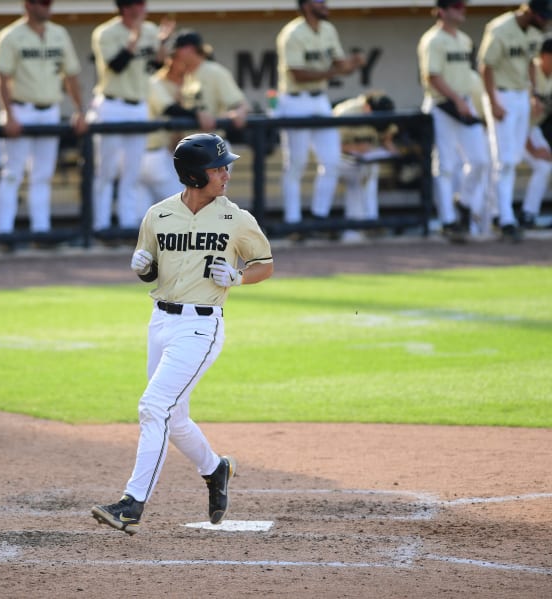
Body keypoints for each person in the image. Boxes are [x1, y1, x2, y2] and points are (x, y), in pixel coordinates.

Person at [91, 133, 274, 534]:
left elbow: (265, 263)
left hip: (201, 326)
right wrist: (142, 267)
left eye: (226, 166)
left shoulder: (236, 218)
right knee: (174, 419)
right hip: (159, 322)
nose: (226, 173)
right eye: (218, 168)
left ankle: (131, 504)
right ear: (193, 175)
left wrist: (238, 278)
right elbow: (153, 270)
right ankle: (216, 468)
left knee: (154, 407)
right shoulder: (158, 215)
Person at [0, 0, 88, 242]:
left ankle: (40, 230)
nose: (47, 6)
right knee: (12, 173)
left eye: (49, 3)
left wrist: (80, 110)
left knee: (43, 174)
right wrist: (8, 114)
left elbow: (71, 74)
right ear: (29, 5)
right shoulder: (10, 35)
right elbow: (1, 77)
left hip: (50, 109)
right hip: (20, 109)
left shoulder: (59, 33)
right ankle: (4, 232)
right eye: (42, 3)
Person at [275, 0, 365, 228]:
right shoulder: (292, 33)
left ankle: (319, 217)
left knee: (332, 161)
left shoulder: (328, 29)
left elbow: (339, 63)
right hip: (295, 101)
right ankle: (293, 222)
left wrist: (353, 64)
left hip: (320, 99)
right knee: (297, 163)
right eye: (319, 1)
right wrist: (336, 71)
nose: (325, 4)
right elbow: (297, 74)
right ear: (306, 5)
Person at [88, 0, 175, 234]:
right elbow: (116, 66)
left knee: (132, 171)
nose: (142, 8)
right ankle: (101, 226)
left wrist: (162, 43)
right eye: (137, 4)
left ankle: (127, 226)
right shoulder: (106, 32)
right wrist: (134, 37)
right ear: (126, 8)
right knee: (105, 171)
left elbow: (155, 66)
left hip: (138, 105)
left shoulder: (150, 30)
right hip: (112, 104)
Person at [417, 0, 491, 243]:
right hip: (441, 105)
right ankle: (448, 220)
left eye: (463, 6)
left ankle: (465, 202)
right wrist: (457, 99)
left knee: (480, 160)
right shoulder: (433, 39)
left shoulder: (464, 39)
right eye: (457, 6)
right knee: (446, 165)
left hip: (464, 103)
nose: (462, 10)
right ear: (443, 11)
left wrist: (467, 102)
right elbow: (432, 76)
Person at [478, 0, 552, 242]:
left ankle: (499, 213)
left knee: (512, 158)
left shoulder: (532, 33)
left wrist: (532, 94)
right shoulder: (500, 28)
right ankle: (504, 217)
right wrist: (493, 101)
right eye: (541, 15)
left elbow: (530, 63)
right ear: (528, 10)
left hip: (521, 94)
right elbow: (486, 66)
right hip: (502, 93)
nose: (544, 20)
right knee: (504, 160)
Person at [333, 92, 398, 242]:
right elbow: (329, 147)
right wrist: (355, 147)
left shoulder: (383, 113)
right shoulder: (346, 113)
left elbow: (387, 136)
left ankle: (366, 223)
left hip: (361, 162)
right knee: (360, 176)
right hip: (338, 159)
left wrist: (389, 147)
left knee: (367, 171)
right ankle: (365, 223)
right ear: (368, 108)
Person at [173, 29, 249, 145]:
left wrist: (236, 114)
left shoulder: (214, 71)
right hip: (190, 145)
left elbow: (241, 105)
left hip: (213, 145)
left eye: (178, 49)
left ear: (190, 49)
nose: (176, 54)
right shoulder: (186, 75)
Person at [134, 52, 188, 212]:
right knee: (183, 209)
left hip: (148, 156)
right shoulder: (154, 83)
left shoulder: (177, 84)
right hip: (153, 155)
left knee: (146, 218)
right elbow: (170, 110)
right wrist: (198, 114)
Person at [519, 36, 552, 229]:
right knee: (498, 168)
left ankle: (528, 214)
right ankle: (496, 216)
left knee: (544, 165)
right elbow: (517, 119)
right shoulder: (530, 76)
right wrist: (531, 148)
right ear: (543, 56)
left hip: (533, 128)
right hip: (512, 131)